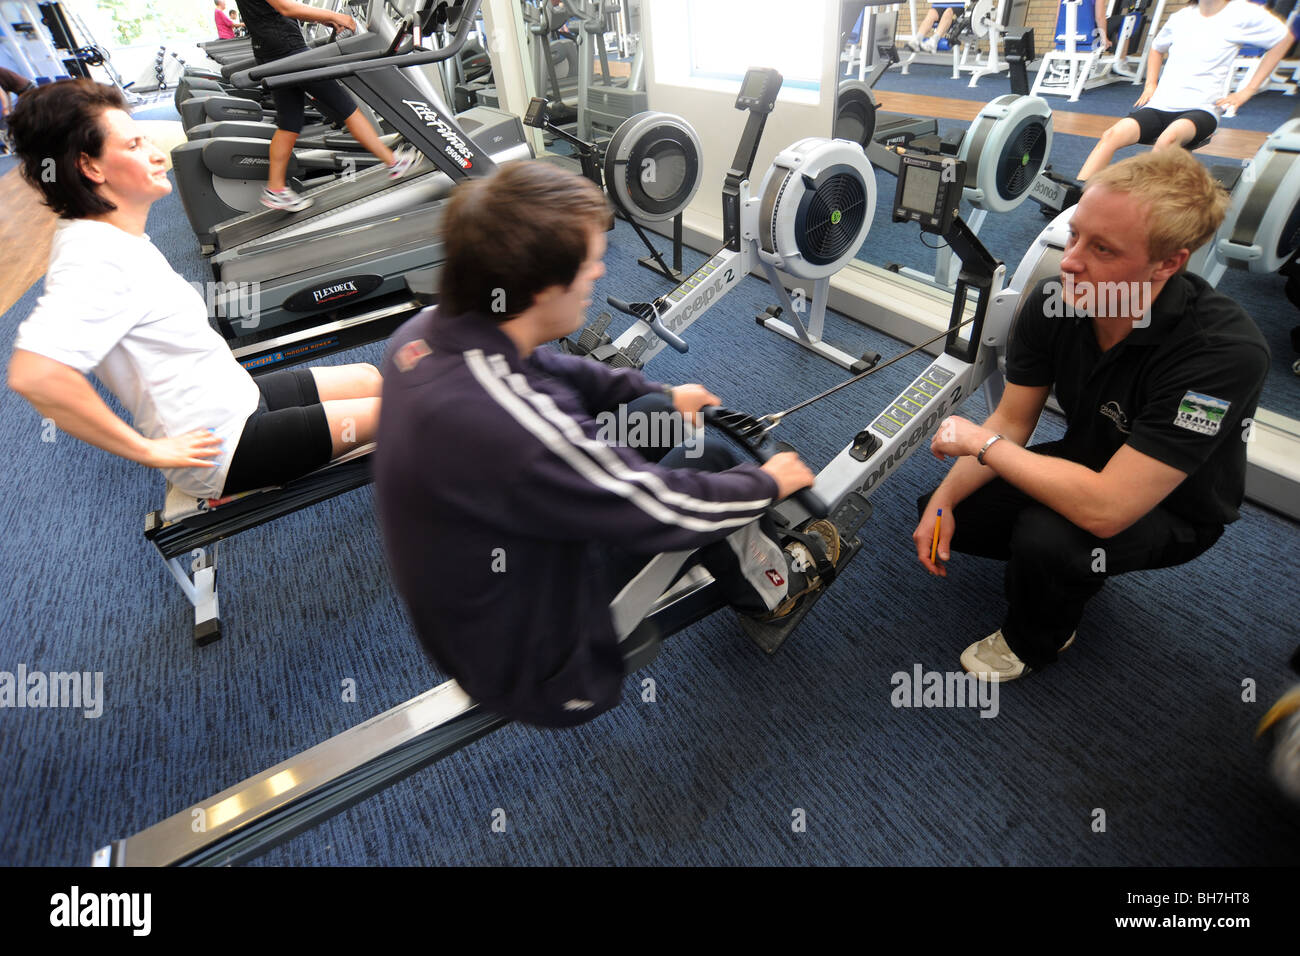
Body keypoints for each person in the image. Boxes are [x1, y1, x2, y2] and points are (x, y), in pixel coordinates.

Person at [374, 161, 842, 729]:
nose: (599, 270)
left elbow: (557, 371)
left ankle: (715, 495)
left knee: (655, 419)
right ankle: (778, 587)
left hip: (496, 569)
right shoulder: (513, 427)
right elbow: (662, 507)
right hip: (538, 656)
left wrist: (665, 395)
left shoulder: (432, 331)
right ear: (545, 288)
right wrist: (771, 482)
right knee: (712, 462)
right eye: (589, 264)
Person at [912, 148, 1268, 682]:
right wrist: (943, 498)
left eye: (1102, 248)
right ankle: (1063, 568)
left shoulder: (1222, 352)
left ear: (1169, 263)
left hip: (1176, 507)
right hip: (1090, 461)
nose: (1071, 259)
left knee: (1048, 539)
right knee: (956, 515)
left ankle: (1037, 637)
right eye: (1075, 234)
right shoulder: (1057, 302)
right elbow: (1010, 422)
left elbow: (1106, 508)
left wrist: (981, 446)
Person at [5, 80, 381, 500]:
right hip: (226, 446)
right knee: (408, 412)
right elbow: (35, 375)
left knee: (371, 377)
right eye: (132, 146)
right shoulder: (95, 258)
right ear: (90, 167)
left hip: (238, 397)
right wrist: (148, 450)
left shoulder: (109, 235)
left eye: (145, 138)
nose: (153, 153)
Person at [235, 0, 419, 212]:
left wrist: (327, 19)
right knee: (347, 108)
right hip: (289, 51)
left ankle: (275, 189)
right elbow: (287, 8)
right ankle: (393, 162)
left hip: (272, 52)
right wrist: (335, 17)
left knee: (289, 123)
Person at [1077, 0, 1291, 180]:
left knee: (1167, 140)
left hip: (1202, 110)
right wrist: (1151, 84)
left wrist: (1247, 90)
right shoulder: (1181, 17)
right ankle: (1076, 200)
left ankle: (1143, 208)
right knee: (1111, 135)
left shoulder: (1242, 13)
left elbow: (1284, 39)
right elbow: (1156, 48)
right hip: (1160, 106)